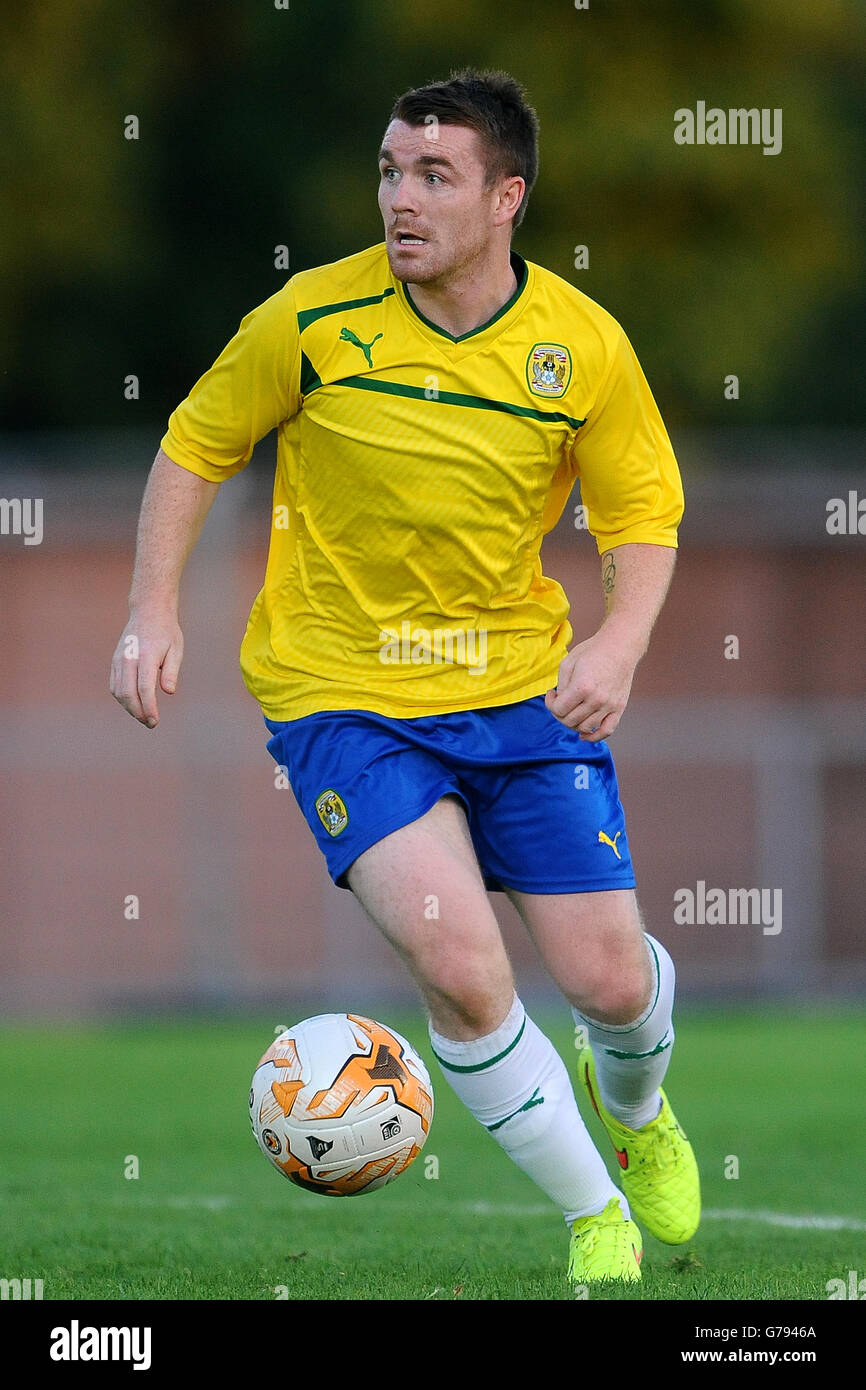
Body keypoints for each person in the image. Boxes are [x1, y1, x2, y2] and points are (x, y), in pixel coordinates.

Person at [110, 67, 698, 1286]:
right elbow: (194, 440)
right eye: (388, 170)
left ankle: (632, 1106)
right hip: (344, 698)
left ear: (504, 200)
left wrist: (619, 639)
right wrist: (148, 611)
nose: (399, 198)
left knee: (609, 984)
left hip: (520, 695)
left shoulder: (581, 345)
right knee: (459, 958)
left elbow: (639, 510)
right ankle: (596, 1217)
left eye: (433, 175)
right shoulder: (312, 320)